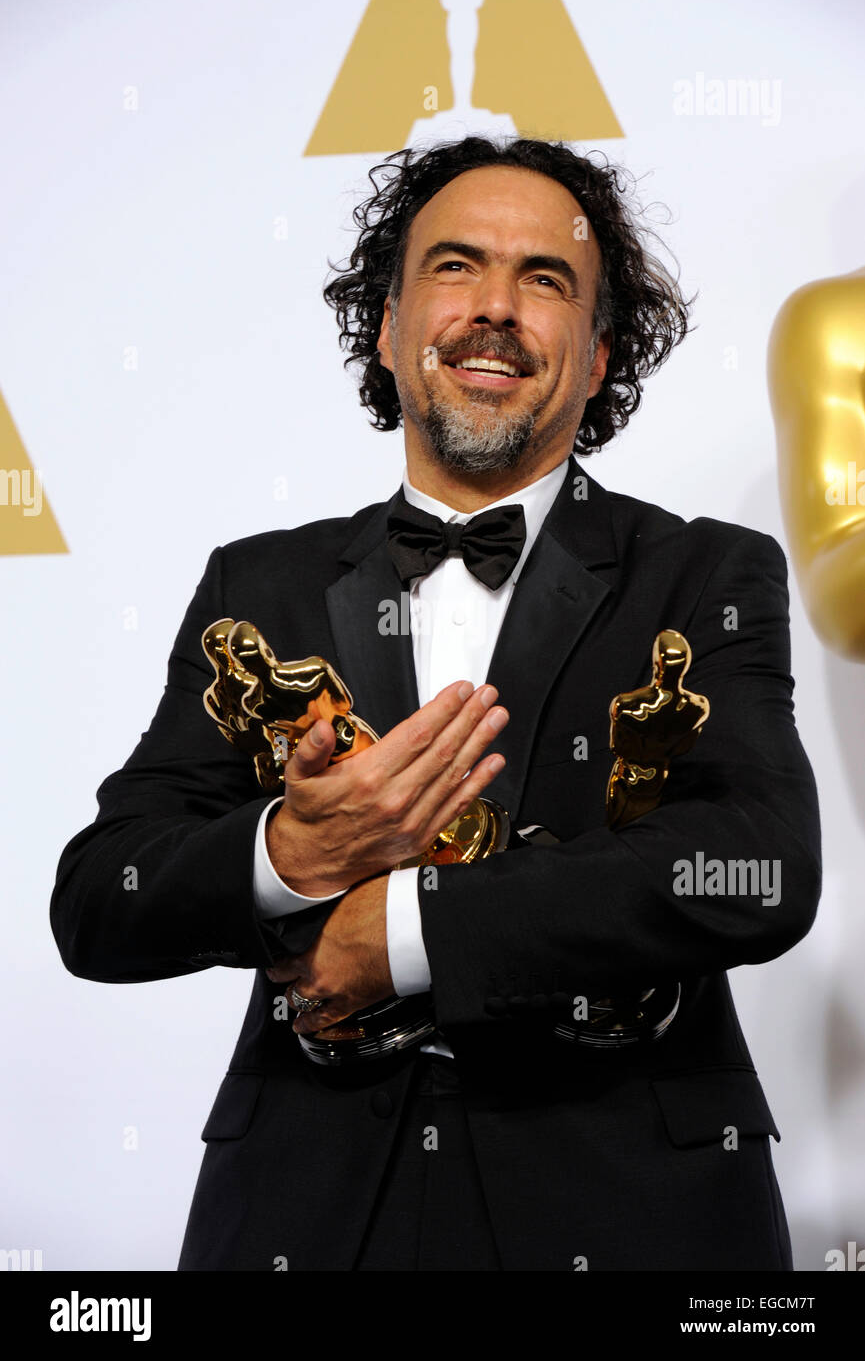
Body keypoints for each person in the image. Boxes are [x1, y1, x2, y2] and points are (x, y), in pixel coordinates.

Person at [50, 135, 821, 1272]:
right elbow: (100, 899)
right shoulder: (256, 585)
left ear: (601, 352)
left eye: (545, 279)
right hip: (306, 1214)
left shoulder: (706, 572)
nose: (496, 308)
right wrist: (293, 850)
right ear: (390, 326)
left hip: (632, 1212)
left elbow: (759, 868)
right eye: (455, 268)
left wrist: (407, 932)